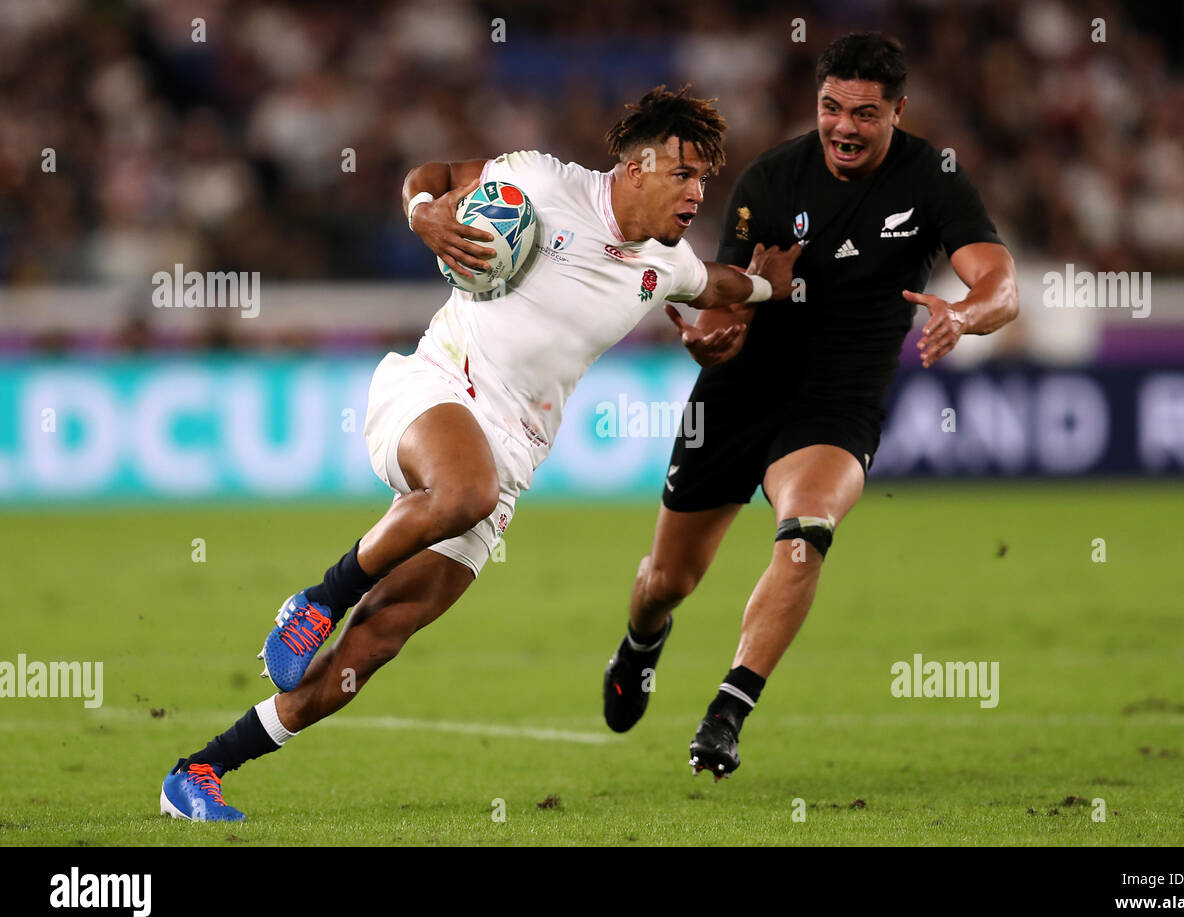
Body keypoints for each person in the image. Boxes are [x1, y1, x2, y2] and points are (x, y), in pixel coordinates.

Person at [159, 86, 801, 820]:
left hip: (508, 463)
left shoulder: (665, 263)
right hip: (436, 392)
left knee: (374, 645)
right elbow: (432, 174)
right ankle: (315, 602)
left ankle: (201, 770)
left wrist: (764, 288)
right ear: (634, 167)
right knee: (462, 489)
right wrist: (422, 214)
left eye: (704, 180)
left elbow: (713, 281)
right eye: (683, 174)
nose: (696, 193)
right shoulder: (540, 180)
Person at [601, 34, 1019, 779]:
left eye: (865, 112)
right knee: (667, 581)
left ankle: (727, 712)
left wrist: (964, 313)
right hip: (741, 392)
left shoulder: (933, 179)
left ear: (898, 112)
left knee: (806, 531)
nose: (845, 127)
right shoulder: (772, 178)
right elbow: (732, 296)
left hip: (839, 401)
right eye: (831, 108)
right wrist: (716, 340)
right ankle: (640, 641)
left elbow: (1001, 285)